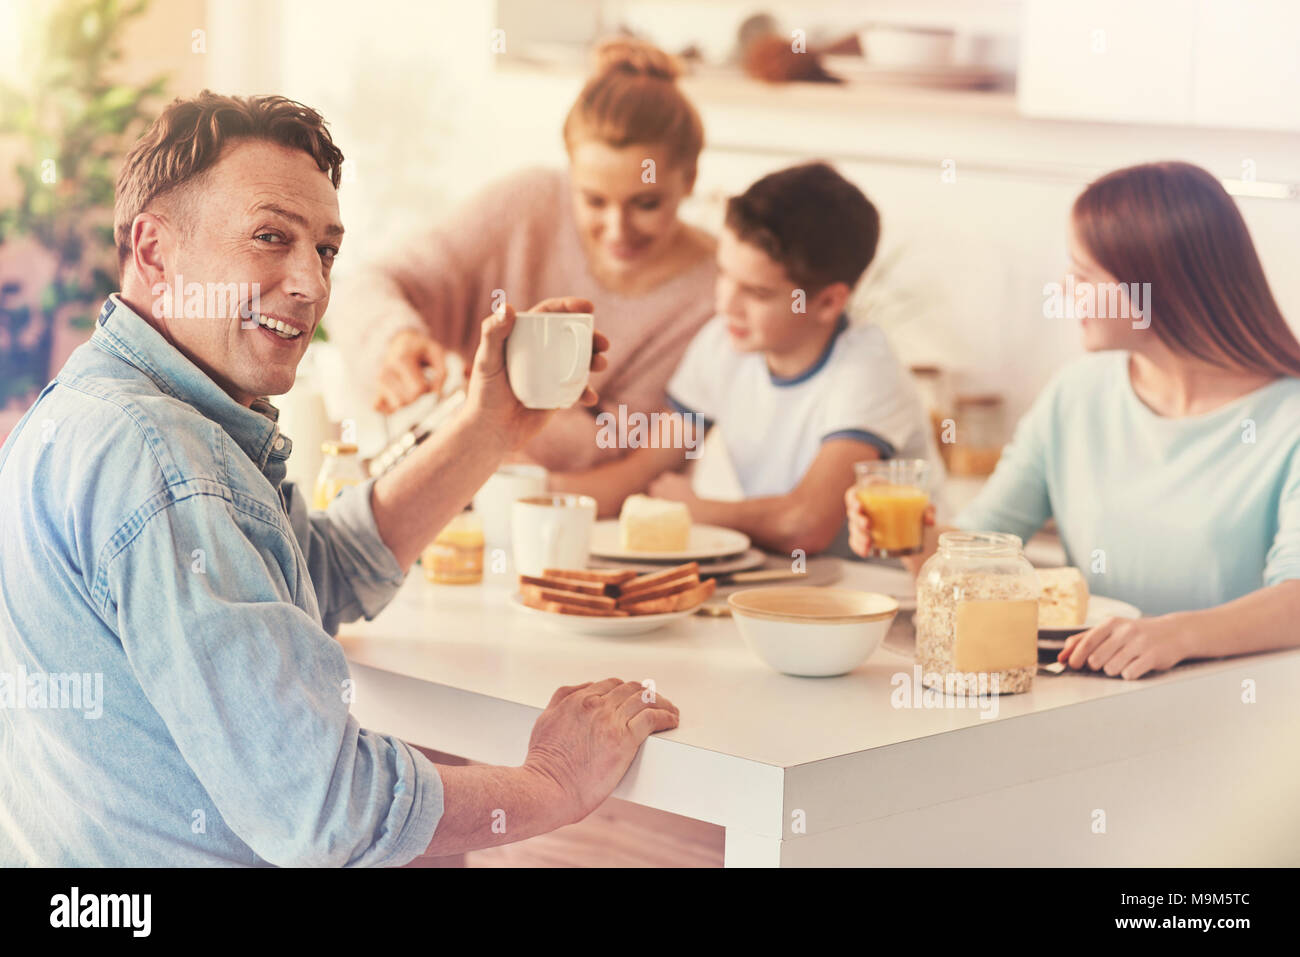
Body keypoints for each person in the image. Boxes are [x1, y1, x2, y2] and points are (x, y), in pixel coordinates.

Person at [0, 91, 680, 867]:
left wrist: (487, 427)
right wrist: (553, 782)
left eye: (324, 249)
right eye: (269, 237)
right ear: (156, 253)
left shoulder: (100, 403)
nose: (312, 285)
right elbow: (327, 808)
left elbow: (316, 573)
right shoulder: (169, 465)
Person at [846, 160, 1300, 678]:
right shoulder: (1077, 395)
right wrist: (907, 534)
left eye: (1083, 275)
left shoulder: (1288, 421)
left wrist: (1177, 634)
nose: (1064, 292)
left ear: (1156, 284)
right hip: (1088, 699)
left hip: (1240, 716)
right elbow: (975, 557)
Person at [327, 37, 717, 472]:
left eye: (646, 204)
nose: (616, 228)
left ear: (691, 179)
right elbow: (366, 286)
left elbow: (623, 447)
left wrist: (490, 403)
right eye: (593, 200)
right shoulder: (527, 204)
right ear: (570, 172)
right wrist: (394, 339)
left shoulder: (715, 290)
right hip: (438, 484)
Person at [552, 162, 942, 556]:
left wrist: (699, 511)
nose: (726, 304)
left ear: (828, 302)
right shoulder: (722, 344)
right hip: (792, 588)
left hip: (879, 594)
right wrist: (539, 488)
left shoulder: (866, 370)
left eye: (757, 293)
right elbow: (644, 474)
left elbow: (805, 526)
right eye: (724, 274)